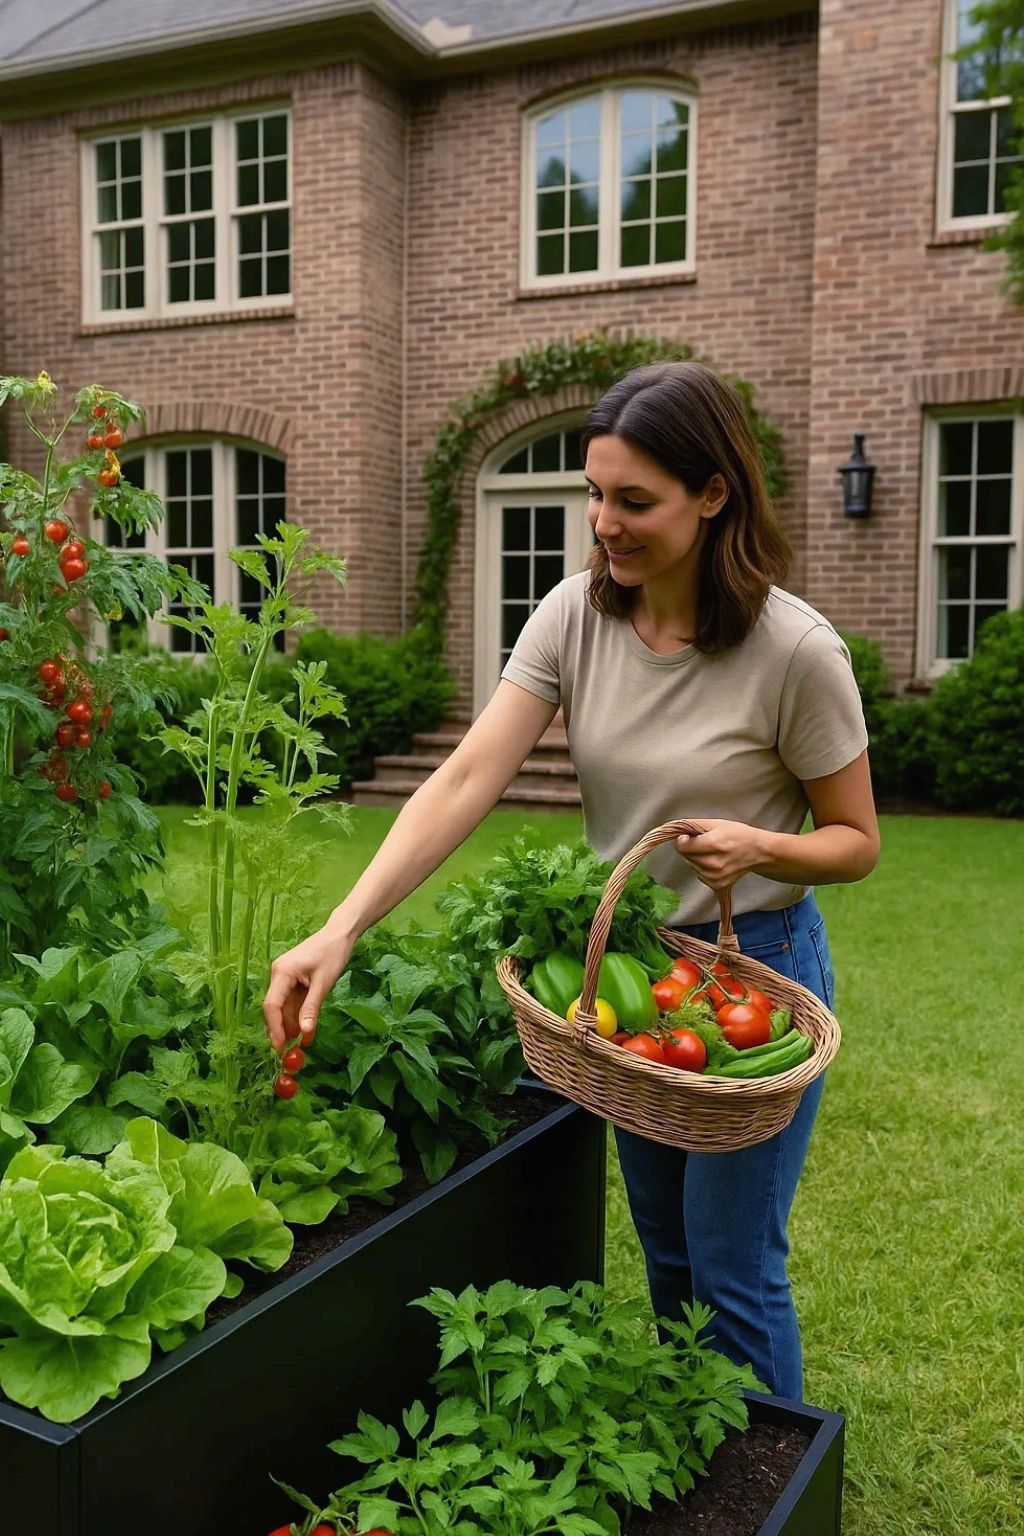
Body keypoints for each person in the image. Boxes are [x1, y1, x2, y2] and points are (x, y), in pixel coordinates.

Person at [263, 359, 879, 1402]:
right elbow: (465, 776)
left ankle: (766, 1483)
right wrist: (343, 927)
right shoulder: (572, 617)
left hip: (749, 980)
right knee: (668, 1254)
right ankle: (699, 1448)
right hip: (631, 979)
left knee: (733, 1270)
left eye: (633, 500)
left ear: (713, 493)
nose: (604, 523)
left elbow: (855, 840)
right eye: (593, 494)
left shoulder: (794, 651)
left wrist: (762, 845)